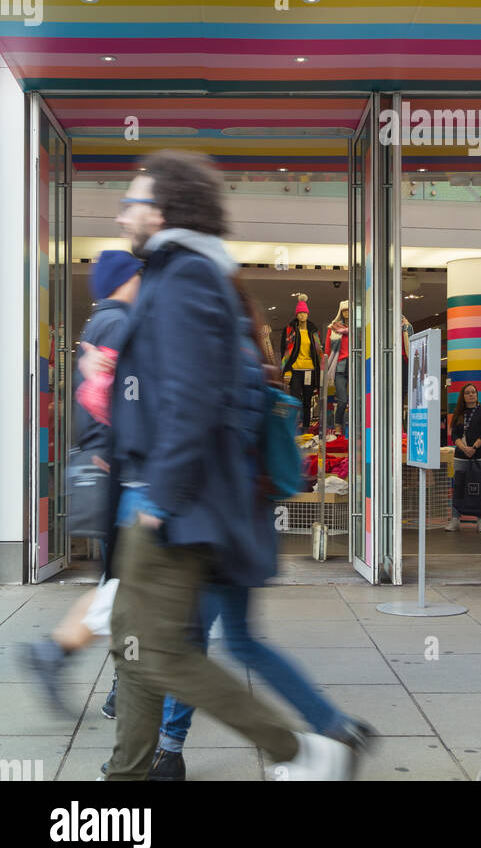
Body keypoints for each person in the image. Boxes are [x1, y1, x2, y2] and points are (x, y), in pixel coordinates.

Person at [103, 149, 353, 780]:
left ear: (160, 209)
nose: (122, 211)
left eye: (132, 200)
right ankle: (127, 779)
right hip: (165, 495)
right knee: (141, 653)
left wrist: (160, 496)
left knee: (169, 653)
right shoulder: (176, 273)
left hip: (172, 503)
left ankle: (303, 749)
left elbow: (192, 399)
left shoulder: (185, 276)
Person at [149, 282, 376, 780]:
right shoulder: (247, 356)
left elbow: (216, 451)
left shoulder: (223, 360)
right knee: (241, 640)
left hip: (218, 532)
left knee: (190, 644)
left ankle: (169, 752)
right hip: (239, 528)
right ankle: (334, 726)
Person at [21, 250, 142, 715]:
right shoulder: (117, 323)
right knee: (126, 582)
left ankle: (76, 663)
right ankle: (62, 655)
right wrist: (116, 447)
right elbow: (99, 394)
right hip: (117, 468)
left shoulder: (103, 322)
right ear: (124, 279)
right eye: (138, 275)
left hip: (108, 462)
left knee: (122, 580)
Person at [446, 383, 481, 534]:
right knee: (458, 486)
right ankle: (455, 519)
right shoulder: (459, 413)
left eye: (473, 392)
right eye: (468, 392)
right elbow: (454, 435)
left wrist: (474, 448)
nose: (471, 394)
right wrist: (464, 448)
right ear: (463, 396)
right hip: (461, 455)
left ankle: (480, 520)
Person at [281, 300, 323, 433]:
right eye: (300, 313)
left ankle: (306, 429)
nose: (302, 315)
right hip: (295, 370)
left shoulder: (313, 330)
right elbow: (286, 352)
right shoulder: (290, 330)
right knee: (294, 400)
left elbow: (318, 353)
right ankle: (292, 428)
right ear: (296, 315)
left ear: (308, 314)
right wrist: (286, 371)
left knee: (307, 400)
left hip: (309, 370)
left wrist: (322, 372)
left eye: (304, 312)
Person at [325, 300, 350, 435]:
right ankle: (338, 424)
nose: (346, 313)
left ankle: (357, 426)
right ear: (340, 312)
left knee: (358, 400)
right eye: (344, 310)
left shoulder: (358, 328)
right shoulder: (333, 328)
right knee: (342, 400)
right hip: (339, 366)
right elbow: (328, 350)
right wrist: (327, 369)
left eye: (348, 310)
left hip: (355, 366)